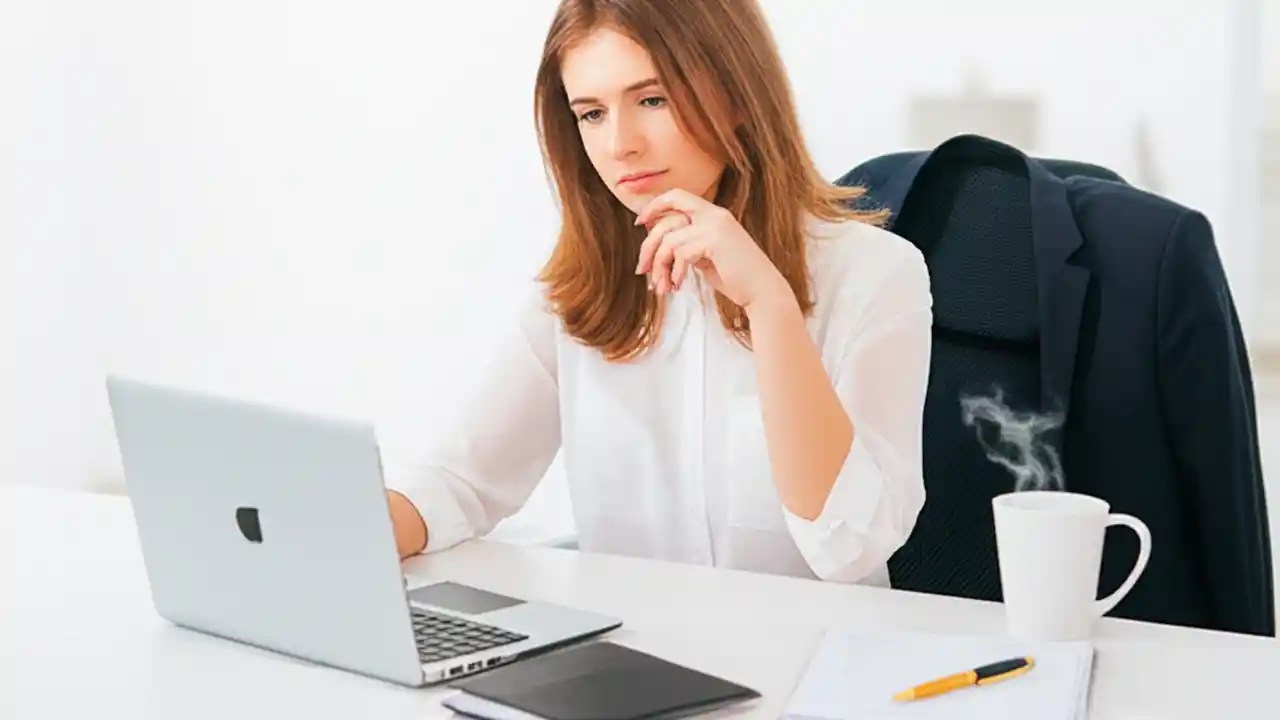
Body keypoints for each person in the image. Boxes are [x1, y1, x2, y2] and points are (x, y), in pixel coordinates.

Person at [385, 0, 932, 586]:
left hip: (814, 661)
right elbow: (459, 484)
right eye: (591, 114)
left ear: (738, 96)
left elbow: (847, 547)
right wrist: (328, 537)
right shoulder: (577, 290)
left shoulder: (876, 273)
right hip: (634, 658)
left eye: (652, 100)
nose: (621, 144)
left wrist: (771, 308)